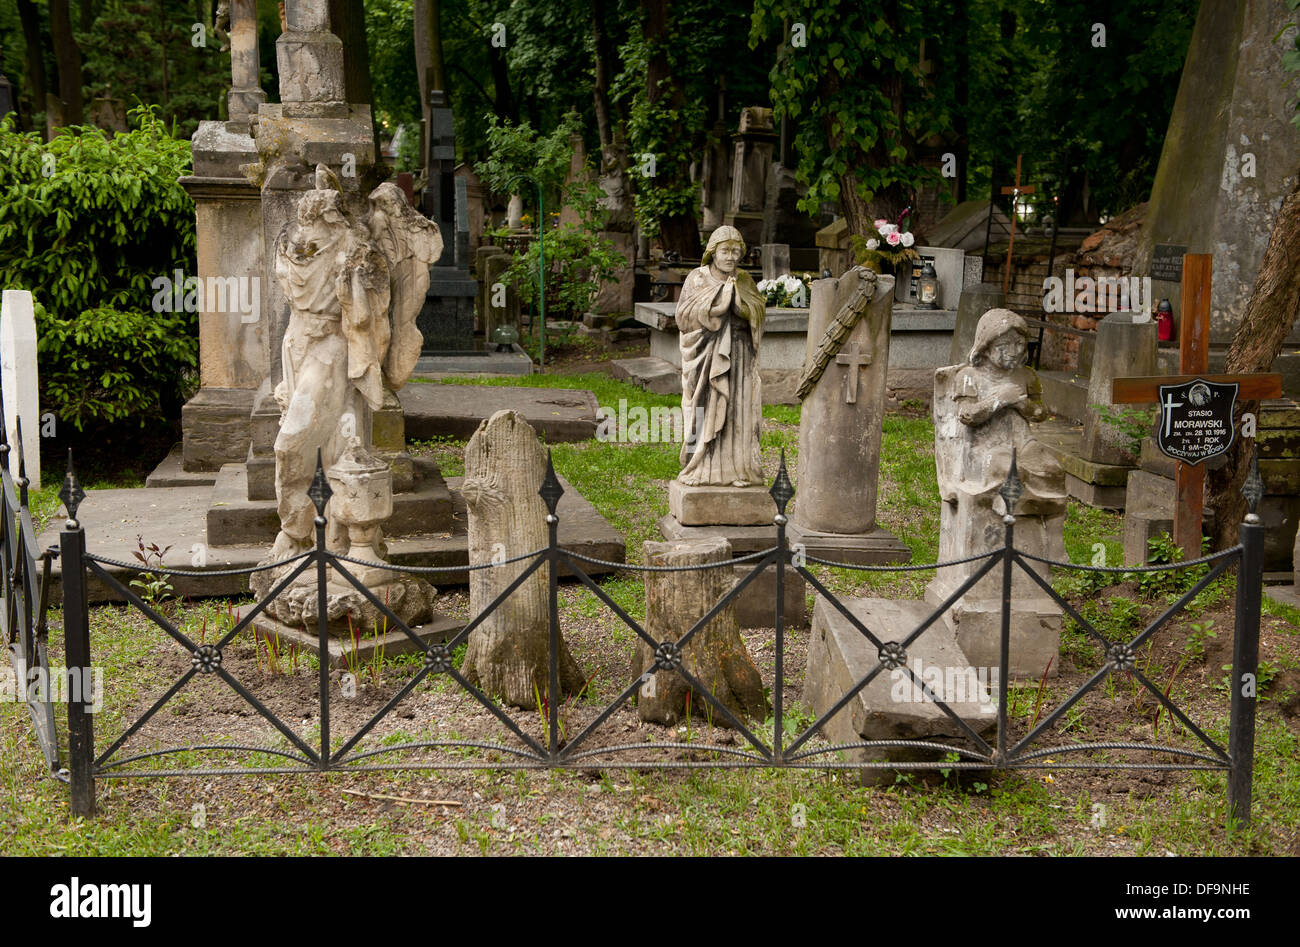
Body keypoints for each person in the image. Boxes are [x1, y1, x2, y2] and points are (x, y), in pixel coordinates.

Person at [935, 308, 1065, 515]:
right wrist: (999, 400)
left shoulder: (1027, 375)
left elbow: (1041, 413)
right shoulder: (969, 376)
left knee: (1052, 470)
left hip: (1023, 442)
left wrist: (1024, 405)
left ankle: (1039, 505)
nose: (1013, 351)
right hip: (984, 447)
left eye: (1019, 344)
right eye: (1004, 346)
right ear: (985, 348)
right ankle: (1013, 504)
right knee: (1009, 470)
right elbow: (966, 415)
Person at [674, 226, 766, 487]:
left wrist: (740, 306)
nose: (731, 257)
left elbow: (758, 311)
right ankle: (702, 467)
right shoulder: (697, 278)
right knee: (705, 410)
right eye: (725, 251)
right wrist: (717, 304)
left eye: (736, 252)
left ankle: (740, 470)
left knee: (738, 412)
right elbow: (683, 316)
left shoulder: (745, 279)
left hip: (738, 355)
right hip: (706, 357)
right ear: (713, 252)